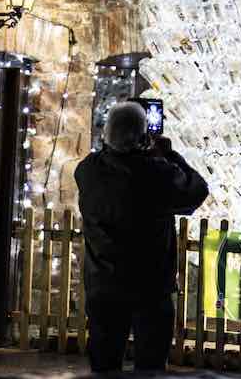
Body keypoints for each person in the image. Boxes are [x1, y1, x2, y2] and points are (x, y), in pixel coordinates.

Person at [75, 101, 208, 373]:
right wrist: (168, 155)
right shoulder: (156, 173)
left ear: (106, 133)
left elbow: (110, 159)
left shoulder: (88, 170)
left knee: (104, 364)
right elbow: (196, 191)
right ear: (143, 136)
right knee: (150, 366)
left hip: (103, 285)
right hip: (150, 288)